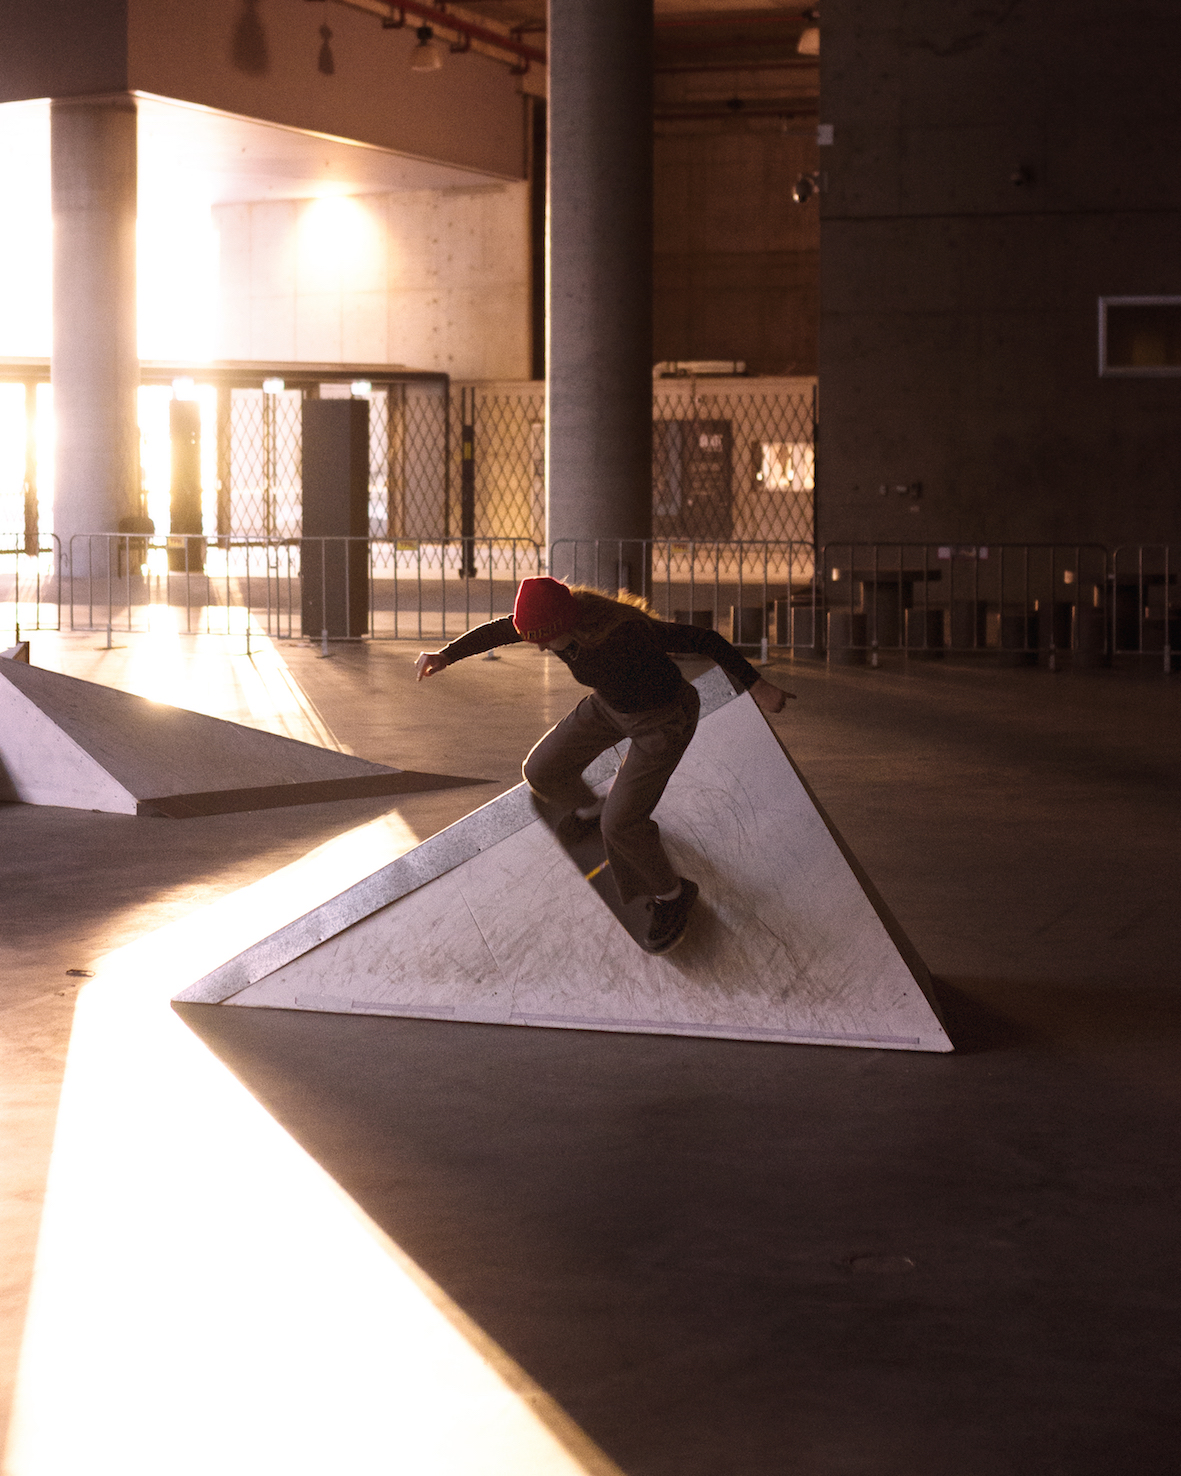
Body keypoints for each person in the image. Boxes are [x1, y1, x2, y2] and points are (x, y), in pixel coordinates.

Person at [416, 576, 794, 956]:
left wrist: (756, 685)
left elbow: (705, 640)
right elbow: (501, 630)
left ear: (561, 625)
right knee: (540, 769)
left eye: (544, 640)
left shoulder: (626, 633)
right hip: (609, 707)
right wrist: (446, 655)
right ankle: (592, 808)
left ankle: (673, 894)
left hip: (663, 720)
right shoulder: (552, 621)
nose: (543, 649)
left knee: (622, 824)